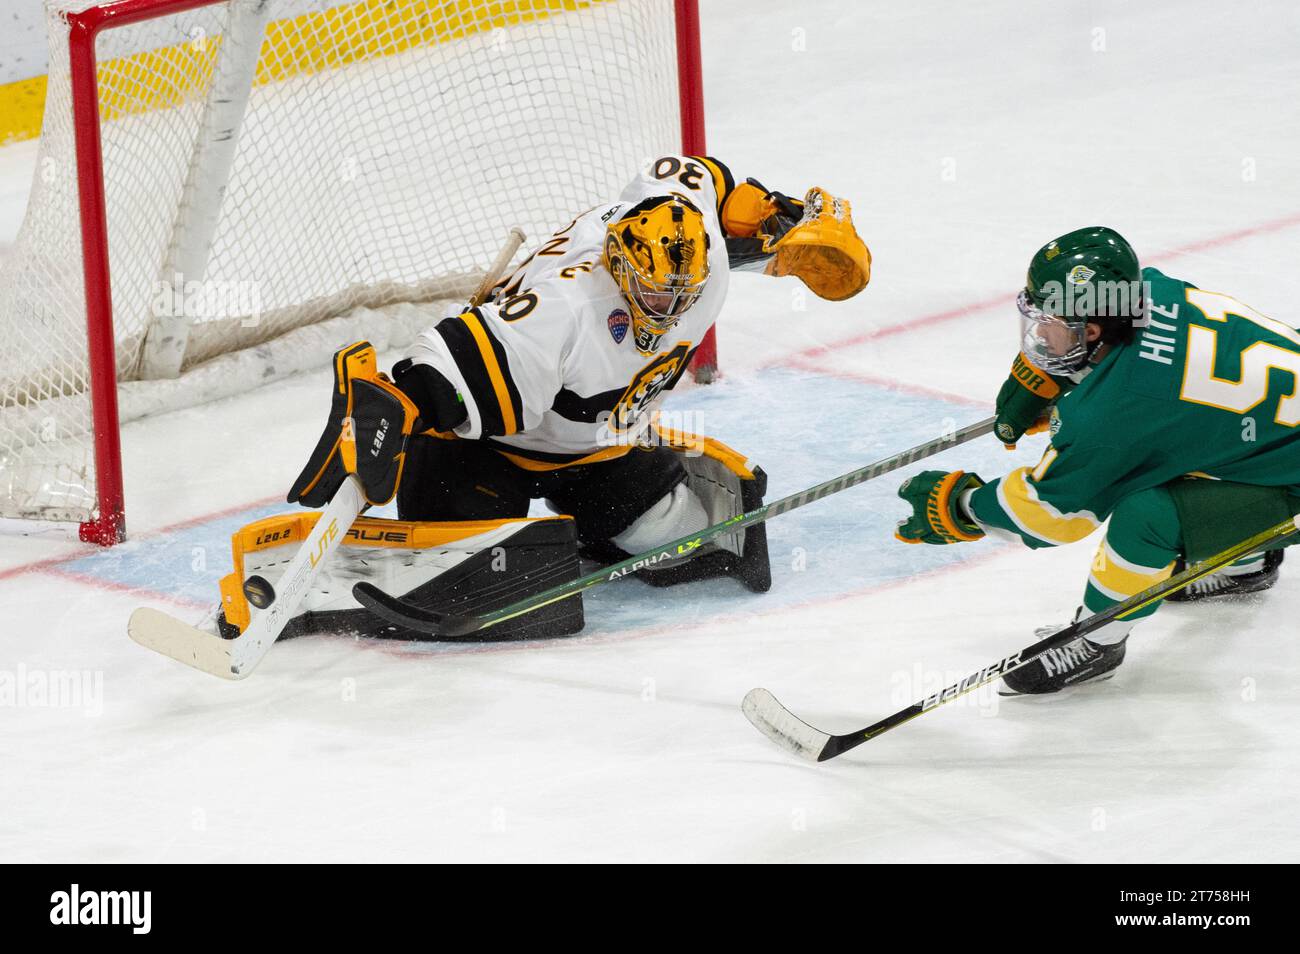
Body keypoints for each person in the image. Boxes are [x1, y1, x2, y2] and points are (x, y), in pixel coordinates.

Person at [217, 157, 871, 642]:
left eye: (680, 297)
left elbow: (708, 180)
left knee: (695, 546)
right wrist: (386, 415)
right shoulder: (565, 306)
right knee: (493, 581)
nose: (665, 313)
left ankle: (590, 516)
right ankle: (339, 576)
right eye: (648, 295)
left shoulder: (694, 249)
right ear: (618, 260)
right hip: (485, 450)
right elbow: (441, 374)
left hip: (598, 443)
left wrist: (783, 216)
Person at [895, 226, 1299, 694]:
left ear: (1089, 330)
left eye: (1049, 322)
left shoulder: (1115, 415)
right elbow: (1160, 372)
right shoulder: (1152, 289)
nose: (1039, 332)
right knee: (1200, 440)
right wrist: (1048, 373)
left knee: (1147, 514)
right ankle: (1244, 566)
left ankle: (1095, 643)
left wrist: (961, 505)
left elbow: (1051, 515)